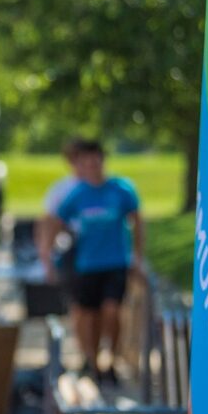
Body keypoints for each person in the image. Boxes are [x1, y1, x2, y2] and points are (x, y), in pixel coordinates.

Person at [53, 140, 144, 385]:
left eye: (95, 159)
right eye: (86, 161)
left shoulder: (121, 189)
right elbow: (56, 220)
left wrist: (137, 255)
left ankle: (111, 359)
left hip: (115, 262)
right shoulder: (77, 193)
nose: (92, 165)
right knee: (89, 316)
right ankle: (93, 362)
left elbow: (137, 221)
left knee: (112, 311)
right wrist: (56, 252)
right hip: (87, 264)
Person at [37, 137, 85, 290]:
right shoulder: (61, 189)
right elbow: (48, 221)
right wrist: (46, 256)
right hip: (72, 245)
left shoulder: (107, 187)